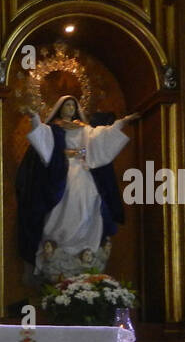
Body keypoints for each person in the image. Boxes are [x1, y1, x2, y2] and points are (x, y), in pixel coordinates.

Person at [15, 95, 140, 282]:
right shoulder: (54, 129)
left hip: (83, 171)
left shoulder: (85, 130)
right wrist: (34, 117)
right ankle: (60, 245)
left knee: (89, 202)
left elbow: (103, 135)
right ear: (60, 108)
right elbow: (41, 133)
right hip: (63, 172)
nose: (70, 108)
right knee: (63, 206)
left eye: (73, 105)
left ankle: (86, 246)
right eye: (67, 105)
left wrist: (123, 122)